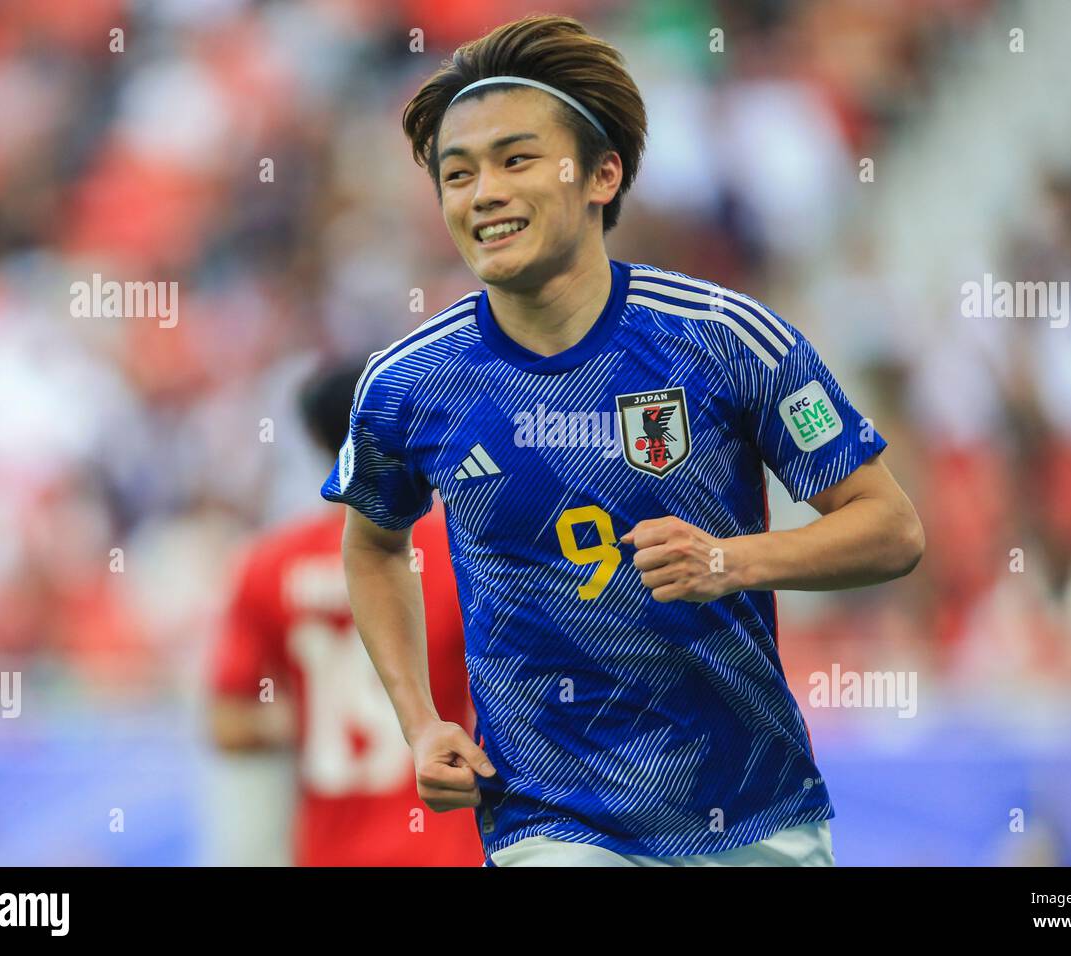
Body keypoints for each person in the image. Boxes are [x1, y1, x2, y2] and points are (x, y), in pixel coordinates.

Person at [322, 14, 924, 866]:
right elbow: (374, 547)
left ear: (602, 174)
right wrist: (421, 723)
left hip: (752, 809)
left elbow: (891, 529)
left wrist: (733, 561)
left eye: (515, 160)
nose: (481, 193)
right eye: (456, 176)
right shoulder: (409, 384)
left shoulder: (728, 340)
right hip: (550, 819)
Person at [212, 361, 482, 866]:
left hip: (329, 847)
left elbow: (229, 724)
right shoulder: (452, 551)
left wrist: (319, 716)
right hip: (444, 846)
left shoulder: (269, 563)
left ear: (312, 437)